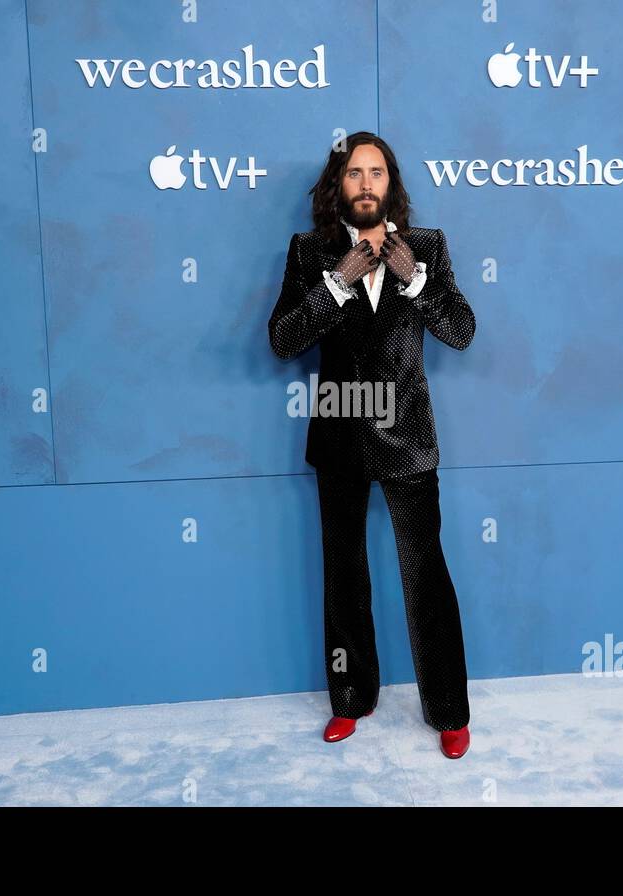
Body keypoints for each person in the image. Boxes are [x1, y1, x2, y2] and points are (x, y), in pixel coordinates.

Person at [267, 131, 476, 759]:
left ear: (391, 185)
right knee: (344, 574)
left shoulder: (429, 249)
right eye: (354, 173)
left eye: (376, 173)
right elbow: (282, 340)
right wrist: (338, 283)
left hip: (409, 437)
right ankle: (350, 700)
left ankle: (449, 710)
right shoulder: (310, 253)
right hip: (339, 435)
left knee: (427, 576)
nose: (365, 183)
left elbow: (461, 330)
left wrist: (412, 277)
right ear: (340, 186)